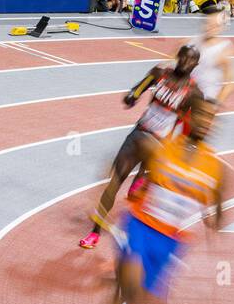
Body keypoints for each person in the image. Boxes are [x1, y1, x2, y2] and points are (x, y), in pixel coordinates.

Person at [90, 96, 224, 304]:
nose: (206, 122)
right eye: (201, 115)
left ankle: (119, 277)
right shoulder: (160, 148)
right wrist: (108, 178)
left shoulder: (216, 166)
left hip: (170, 242)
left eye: (212, 118)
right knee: (127, 288)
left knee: (136, 302)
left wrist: (213, 220)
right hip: (141, 227)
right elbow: (129, 155)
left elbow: (216, 209)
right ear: (189, 117)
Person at [80, 44, 200, 251]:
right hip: (138, 134)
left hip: (159, 146)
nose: (186, 63)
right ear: (177, 56)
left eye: (191, 61)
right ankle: (94, 233)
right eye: (183, 58)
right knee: (114, 183)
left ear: (196, 64)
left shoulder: (195, 93)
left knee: (143, 197)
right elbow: (136, 90)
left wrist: (186, 149)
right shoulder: (160, 73)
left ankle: (141, 182)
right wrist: (132, 96)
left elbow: (195, 130)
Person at [188, 7, 234, 104]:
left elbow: (230, 84)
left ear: (221, 27)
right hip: (186, 96)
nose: (208, 28)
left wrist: (213, 107)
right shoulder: (192, 41)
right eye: (207, 23)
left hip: (204, 101)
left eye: (214, 26)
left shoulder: (225, 50)